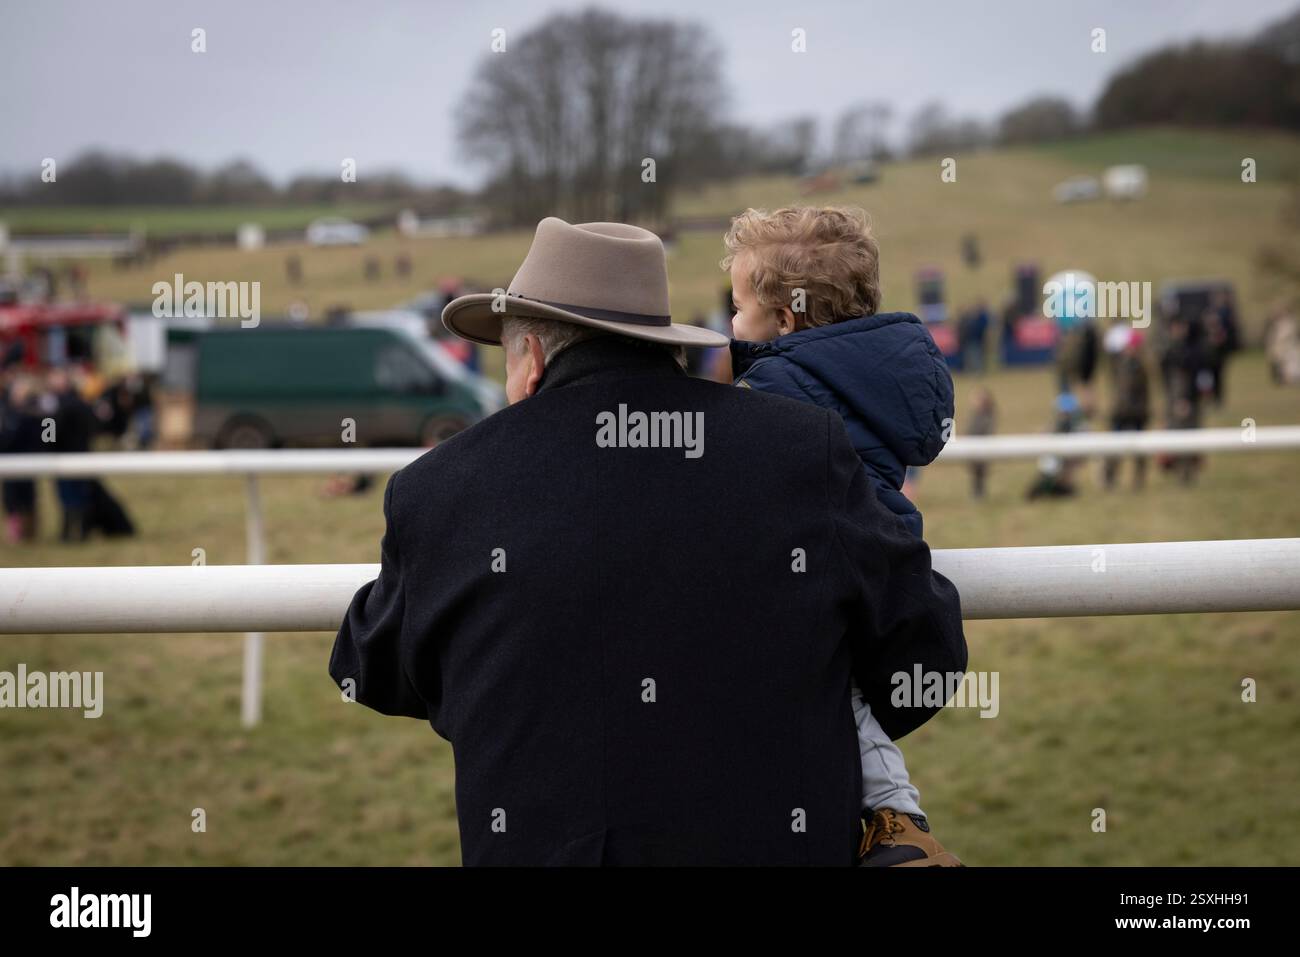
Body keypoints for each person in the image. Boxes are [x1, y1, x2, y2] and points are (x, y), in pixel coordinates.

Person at [330, 217, 966, 866]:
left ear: (535, 361)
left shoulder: (438, 491)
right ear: (663, 344)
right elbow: (922, 654)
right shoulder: (807, 450)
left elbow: (371, 668)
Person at [722, 206, 962, 865]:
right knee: (849, 698)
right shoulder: (893, 371)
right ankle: (896, 820)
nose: (732, 324)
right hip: (877, 563)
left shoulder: (771, 384)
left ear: (787, 316)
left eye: (739, 308)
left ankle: (891, 824)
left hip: (812, 568)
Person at [1102, 330, 1150, 491]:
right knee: (1114, 449)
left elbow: (1142, 392)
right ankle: (1109, 478)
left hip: (1135, 413)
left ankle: (1139, 480)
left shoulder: (1140, 367)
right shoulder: (1120, 363)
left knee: (1139, 451)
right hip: (1121, 412)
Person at [965, 386, 997, 499]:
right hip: (973, 448)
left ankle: (980, 495)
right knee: (976, 475)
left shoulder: (987, 417)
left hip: (981, 449)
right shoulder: (976, 416)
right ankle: (977, 494)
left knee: (980, 475)